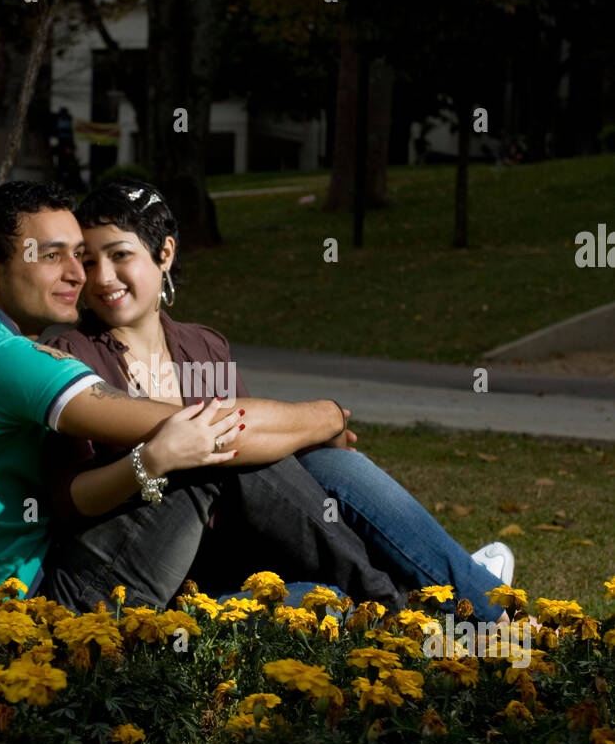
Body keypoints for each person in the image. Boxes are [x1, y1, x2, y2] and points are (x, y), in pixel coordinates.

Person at [0, 181, 401, 612]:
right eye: (52, 256)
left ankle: (372, 602)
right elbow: (200, 427)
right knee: (206, 451)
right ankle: (391, 610)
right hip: (30, 612)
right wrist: (328, 416)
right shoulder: (8, 356)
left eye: (76, 255)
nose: (78, 275)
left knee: (311, 585)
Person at [42, 180, 514, 622]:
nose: (103, 278)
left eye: (119, 255)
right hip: (152, 569)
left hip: (234, 550)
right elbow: (68, 499)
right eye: (88, 262)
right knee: (245, 457)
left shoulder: (204, 346)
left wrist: (311, 439)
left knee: (334, 469)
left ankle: (480, 606)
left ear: (164, 253)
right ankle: (410, 602)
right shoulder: (71, 355)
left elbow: (264, 465)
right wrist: (324, 417)